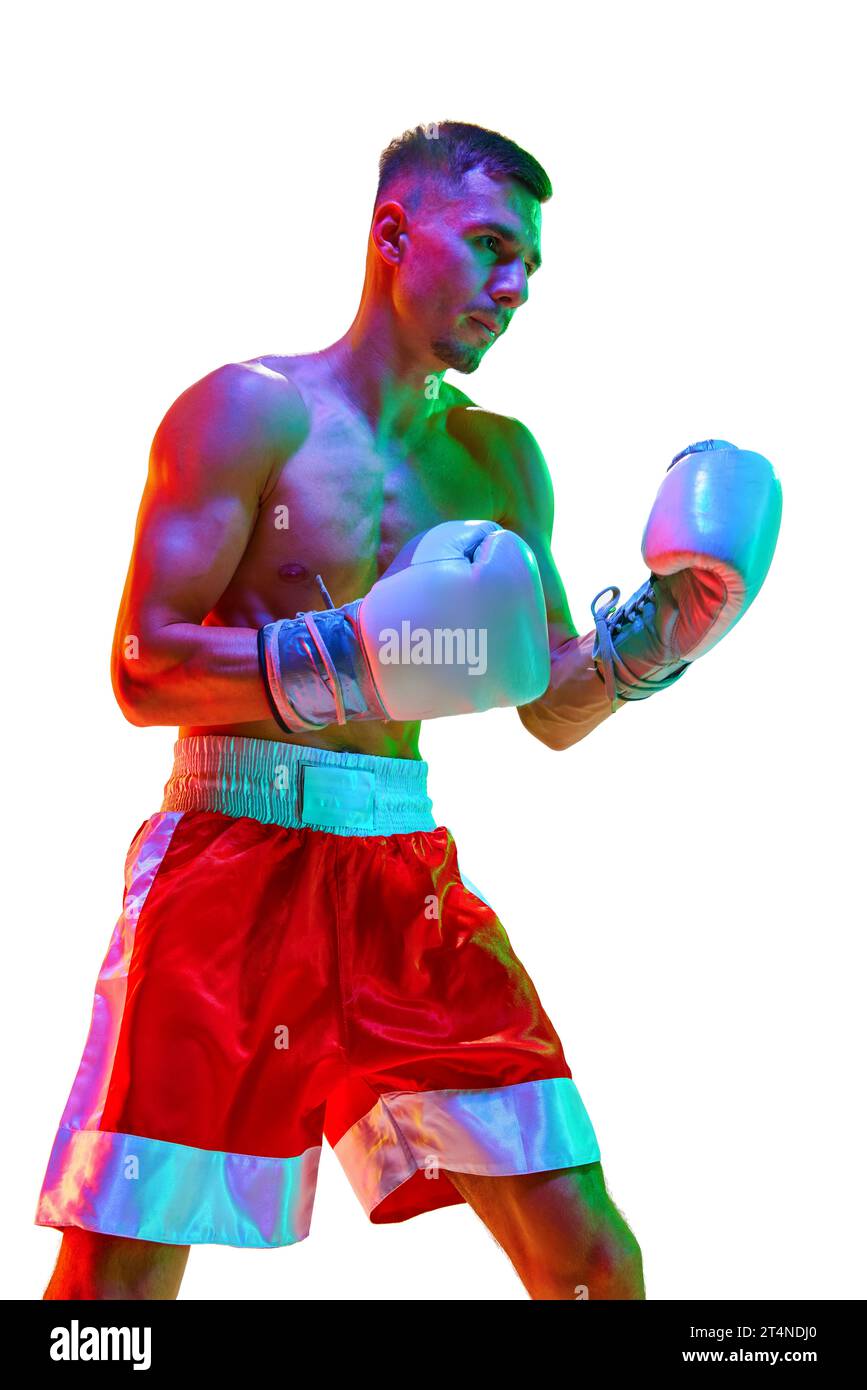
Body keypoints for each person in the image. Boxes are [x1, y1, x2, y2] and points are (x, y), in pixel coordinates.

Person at [36, 121, 781, 1301]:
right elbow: (142, 668)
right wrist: (355, 657)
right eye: (491, 245)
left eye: (530, 266)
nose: (515, 286)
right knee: (116, 1285)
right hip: (230, 869)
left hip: (402, 880)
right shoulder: (248, 413)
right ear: (392, 233)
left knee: (593, 1263)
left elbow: (547, 703)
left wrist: (656, 639)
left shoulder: (501, 462)